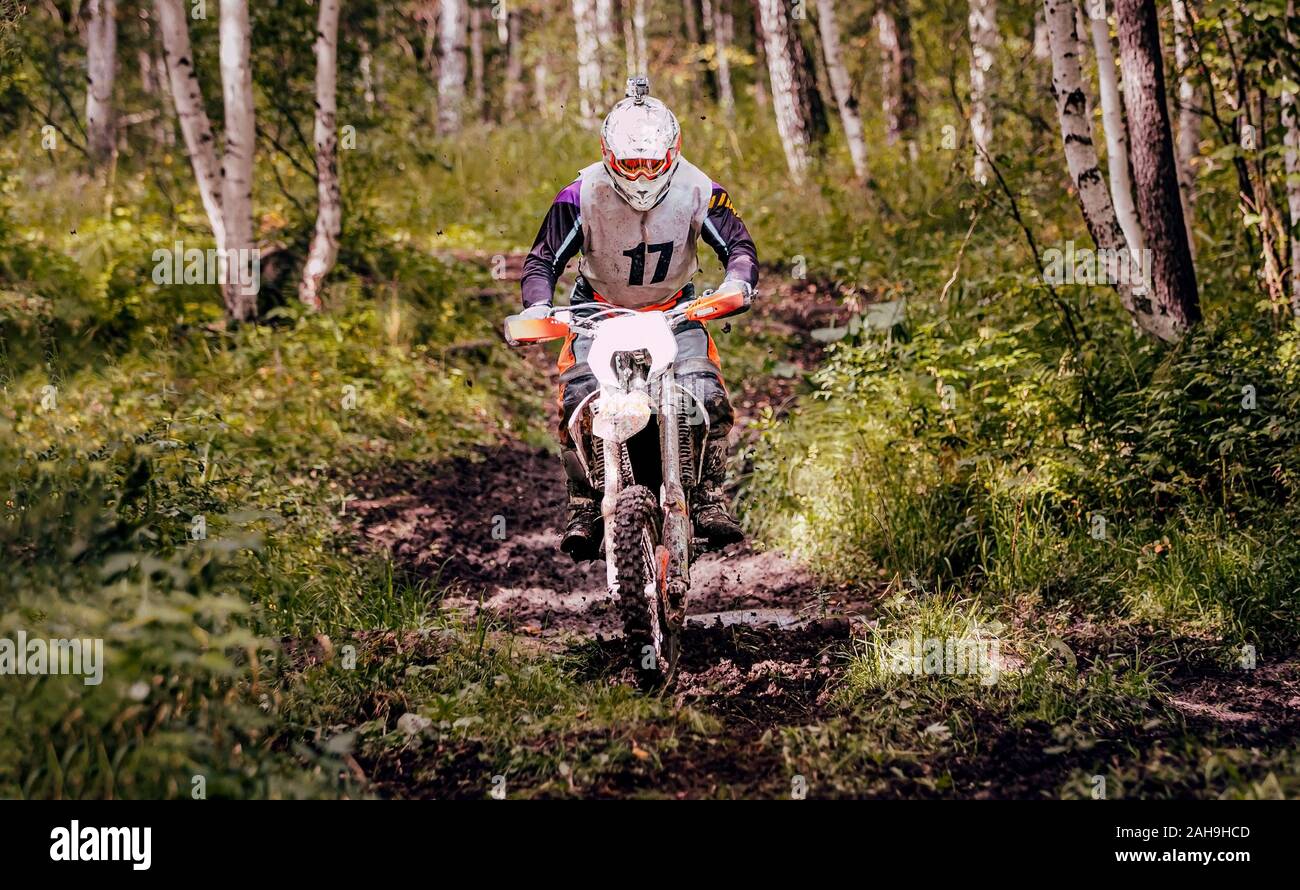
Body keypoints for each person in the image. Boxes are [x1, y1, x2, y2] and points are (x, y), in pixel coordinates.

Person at [519, 77, 759, 562]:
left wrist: (736, 283)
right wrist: (537, 308)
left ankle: (709, 493)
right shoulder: (580, 194)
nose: (643, 174)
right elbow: (542, 260)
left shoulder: (698, 189)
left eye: (653, 162)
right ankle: (585, 501)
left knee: (709, 396)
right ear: (609, 155)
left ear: (673, 153)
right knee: (576, 401)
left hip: (675, 308)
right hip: (596, 310)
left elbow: (739, 245)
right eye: (632, 163)